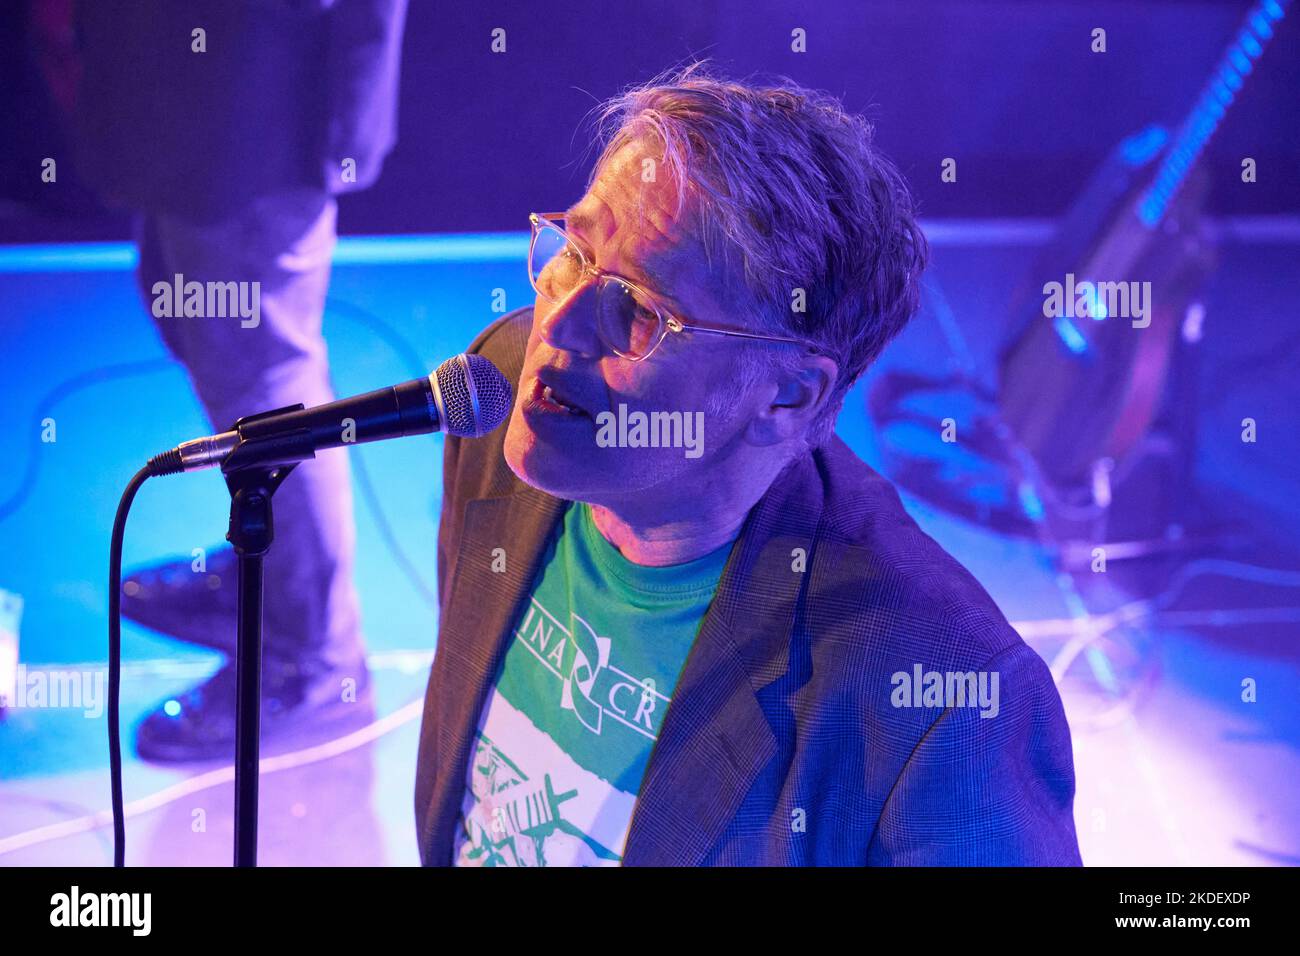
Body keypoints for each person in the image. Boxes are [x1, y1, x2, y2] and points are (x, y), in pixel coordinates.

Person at [416, 63, 1082, 866]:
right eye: (575, 252)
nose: (557, 325)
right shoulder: (505, 395)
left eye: (640, 311)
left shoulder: (945, 698)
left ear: (788, 395)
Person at [70, 0, 408, 761]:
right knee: (202, 334)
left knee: (264, 377)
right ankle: (275, 576)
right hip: (176, 96)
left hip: (260, 105)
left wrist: (350, 115)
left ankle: (313, 664)